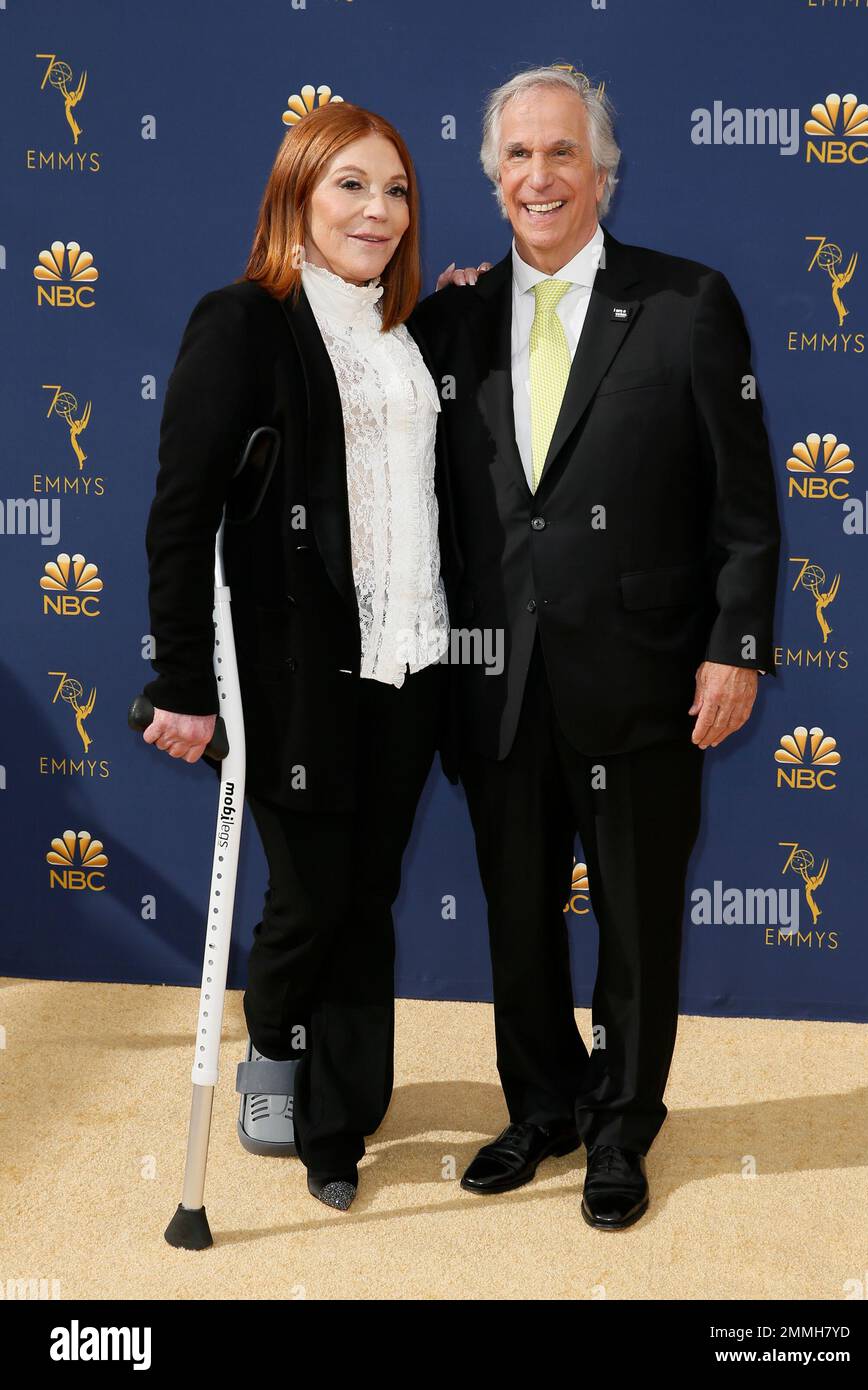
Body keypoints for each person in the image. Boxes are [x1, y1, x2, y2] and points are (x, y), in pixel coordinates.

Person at [412, 66, 780, 1229]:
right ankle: (543, 1109)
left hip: (646, 685)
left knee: (634, 921)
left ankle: (623, 1125)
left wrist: (739, 647)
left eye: (561, 153)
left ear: (605, 173)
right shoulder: (451, 318)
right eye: (517, 157)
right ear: (493, 177)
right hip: (498, 683)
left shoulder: (688, 304)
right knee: (516, 922)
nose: (539, 177)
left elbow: (747, 507)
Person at [142, 101, 453, 1211]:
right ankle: (272, 1042)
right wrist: (181, 682)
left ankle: (340, 1116)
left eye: (397, 190)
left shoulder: (402, 328)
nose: (379, 210)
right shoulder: (244, 322)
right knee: (312, 896)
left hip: (410, 661)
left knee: (367, 895)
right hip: (294, 670)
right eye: (351, 186)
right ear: (296, 198)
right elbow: (182, 517)